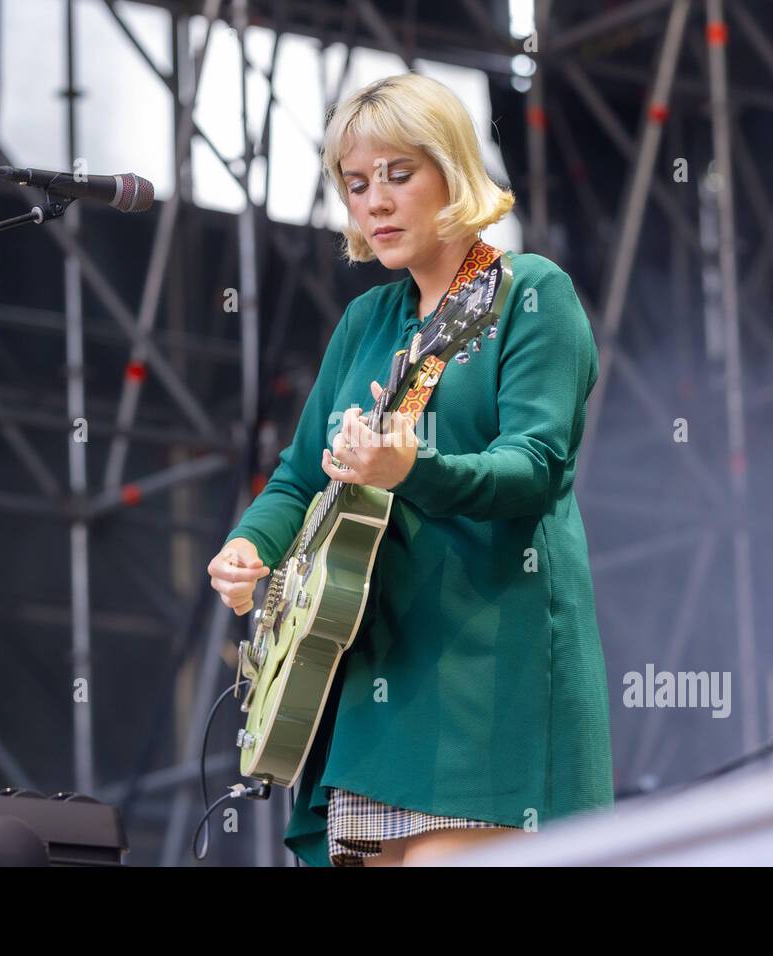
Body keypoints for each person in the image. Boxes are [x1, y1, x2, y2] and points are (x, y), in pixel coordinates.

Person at [207, 72, 613, 867]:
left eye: (399, 174)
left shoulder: (532, 294)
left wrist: (409, 467)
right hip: (368, 674)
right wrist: (251, 546)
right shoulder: (368, 320)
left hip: (487, 667)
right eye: (356, 184)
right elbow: (298, 478)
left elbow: (533, 468)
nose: (376, 202)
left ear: (453, 170)